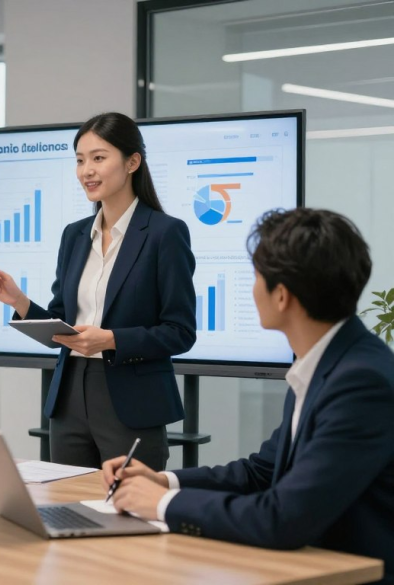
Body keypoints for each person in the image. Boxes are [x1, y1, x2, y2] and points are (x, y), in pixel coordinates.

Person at [105, 208, 394, 583]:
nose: (252, 286)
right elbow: (261, 471)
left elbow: (283, 518)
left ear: (282, 297)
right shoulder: (328, 361)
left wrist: (162, 504)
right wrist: (167, 481)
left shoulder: (360, 382)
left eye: (257, 276)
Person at [0, 112, 196, 471]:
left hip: (131, 400)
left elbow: (180, 333)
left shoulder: (164, 234)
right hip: (69, 398)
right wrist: (20, 301)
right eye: (79, 160)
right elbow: (62, 324)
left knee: (131, 511)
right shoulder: (74, 235)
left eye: (98, 158)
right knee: (66, 504)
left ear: (132, 162)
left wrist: (110, 339)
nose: (86, 170)